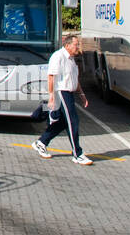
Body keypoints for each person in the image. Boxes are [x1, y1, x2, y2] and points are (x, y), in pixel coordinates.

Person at [33, 33, 92, 165]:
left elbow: (75, 80)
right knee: (73, 121)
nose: (78, 47)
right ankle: (77, 153)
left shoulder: (71, 59)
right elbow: (51, 76)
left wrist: (82, 95)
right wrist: (52, 97)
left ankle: (41, 142)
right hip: (61, 92)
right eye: (76, 45)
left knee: (63, 123)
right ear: (67, 45)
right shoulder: (58, 56)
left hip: (69, 93)